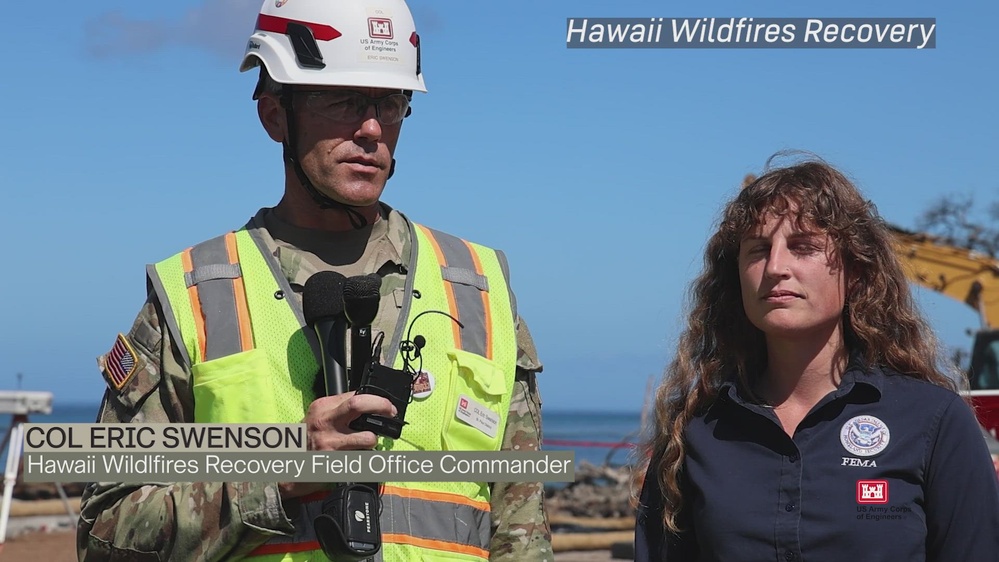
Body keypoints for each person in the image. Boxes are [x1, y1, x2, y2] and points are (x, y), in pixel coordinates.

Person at [76, 0, 551, 560]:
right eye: (342, 100)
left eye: (391, 102)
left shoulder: (478, 289)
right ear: (275, 114)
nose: (372, 128)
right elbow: (104, 535)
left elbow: (522, 535)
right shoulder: (194, 299)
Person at [635, 156, 999, 561]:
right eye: (757, 250)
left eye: (803, 247)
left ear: (856, 272)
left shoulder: (933, 422)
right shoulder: (694, 430)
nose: (775, 267)